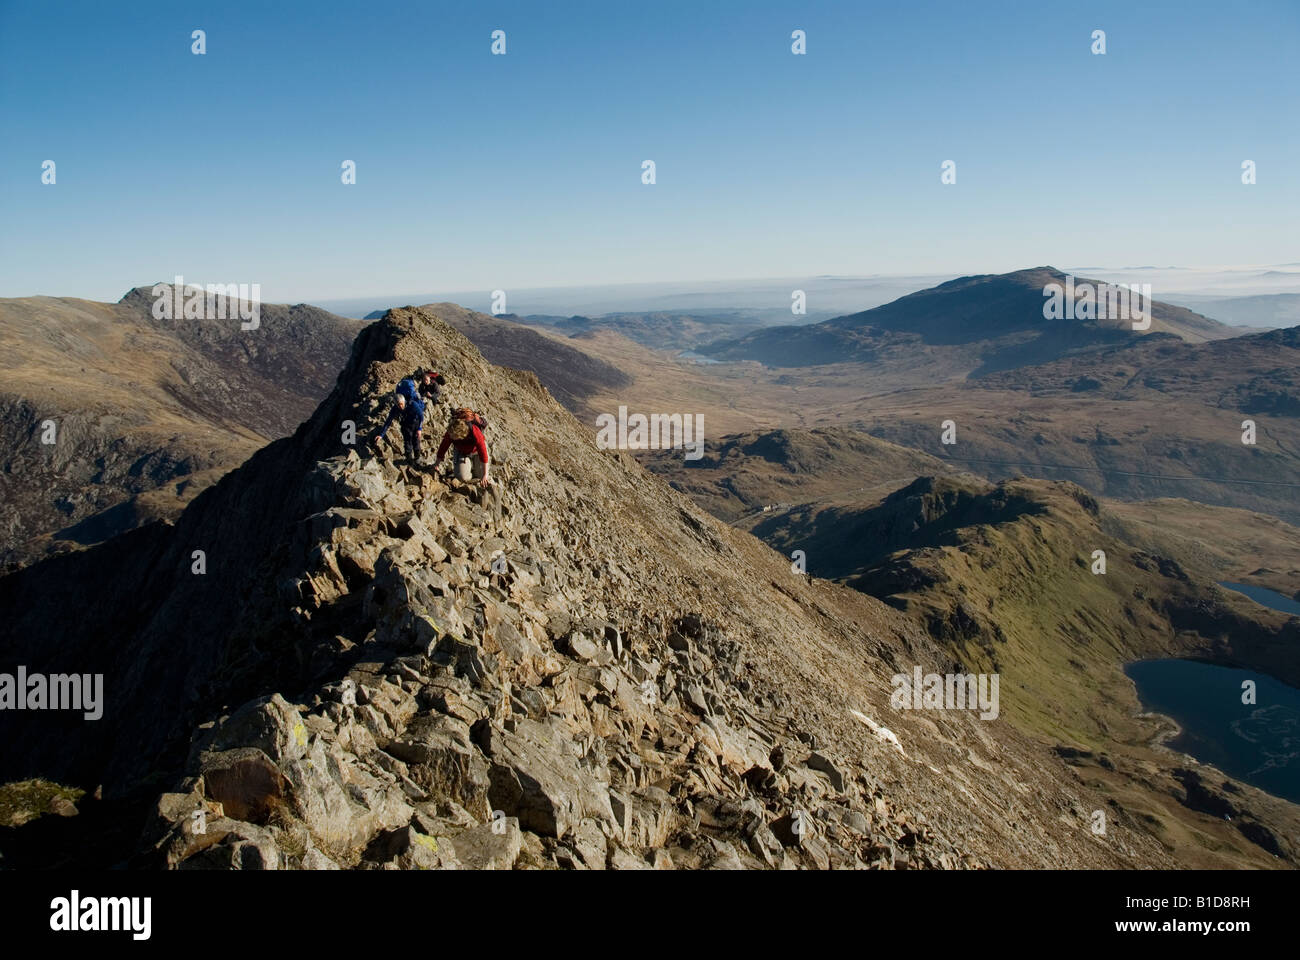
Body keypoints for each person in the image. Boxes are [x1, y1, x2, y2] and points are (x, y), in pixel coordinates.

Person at [434, 407, 491, 486]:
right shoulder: (451, 431)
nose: (451, 438)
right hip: (462, 452)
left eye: (454, 437)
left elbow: (483, 453)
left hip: (476, 452)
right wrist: (437, 464)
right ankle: (469, 472)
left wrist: (485, 475)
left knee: (481, 476)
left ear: (461, 436)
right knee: (462, 477)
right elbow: (443, 447)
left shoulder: (475, 432)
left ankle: (475, 471)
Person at [372, 385, 426, 462]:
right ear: (395, 404)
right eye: (398, 404)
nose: (400, 406)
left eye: (401, 404)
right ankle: (409, 460)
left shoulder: (413, 405)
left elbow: (421, 416)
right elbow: (388, 421)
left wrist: (419, 429)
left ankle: (417, 458)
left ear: (404, 401)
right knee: (407, 442)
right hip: (406, 425)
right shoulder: (395, 409)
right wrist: (381, 435)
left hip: (415, 424)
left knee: (416, 441)